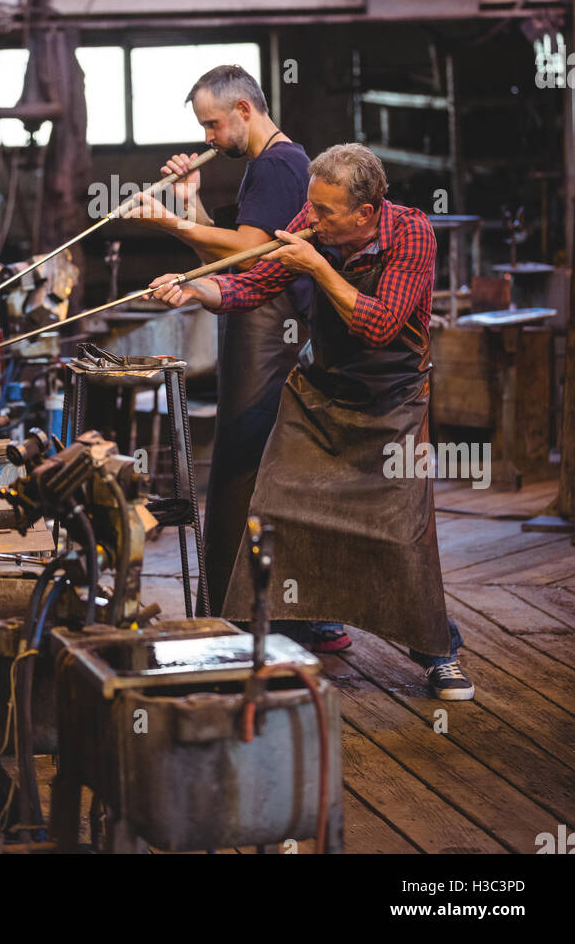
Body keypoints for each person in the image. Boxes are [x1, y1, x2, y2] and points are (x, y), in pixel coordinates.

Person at [147, 142, 474, 699]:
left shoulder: (413, 235)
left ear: (365, 212)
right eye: (312, 209)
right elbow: (254, 283)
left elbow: (379, 325)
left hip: (391, 404)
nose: (311, 220)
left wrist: (317, 265)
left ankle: (437, 651)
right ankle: (261, 642)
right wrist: (195, 288)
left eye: (325, 213)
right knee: (274, 510)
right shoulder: (316, 218)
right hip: (318, 394)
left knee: (403, 535)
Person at [124, 65, 347, 651]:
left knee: (253, 475)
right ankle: (256, 614)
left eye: (213, 124)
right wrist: (190, 204)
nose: (208, 138)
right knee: (240, 474)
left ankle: (254, 618)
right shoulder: (262, 166)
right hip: (254, 329)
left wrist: (170, 223)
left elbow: (254, 252)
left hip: (275, 339)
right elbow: (230, 256)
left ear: (245, 110)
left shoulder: (279, 164)